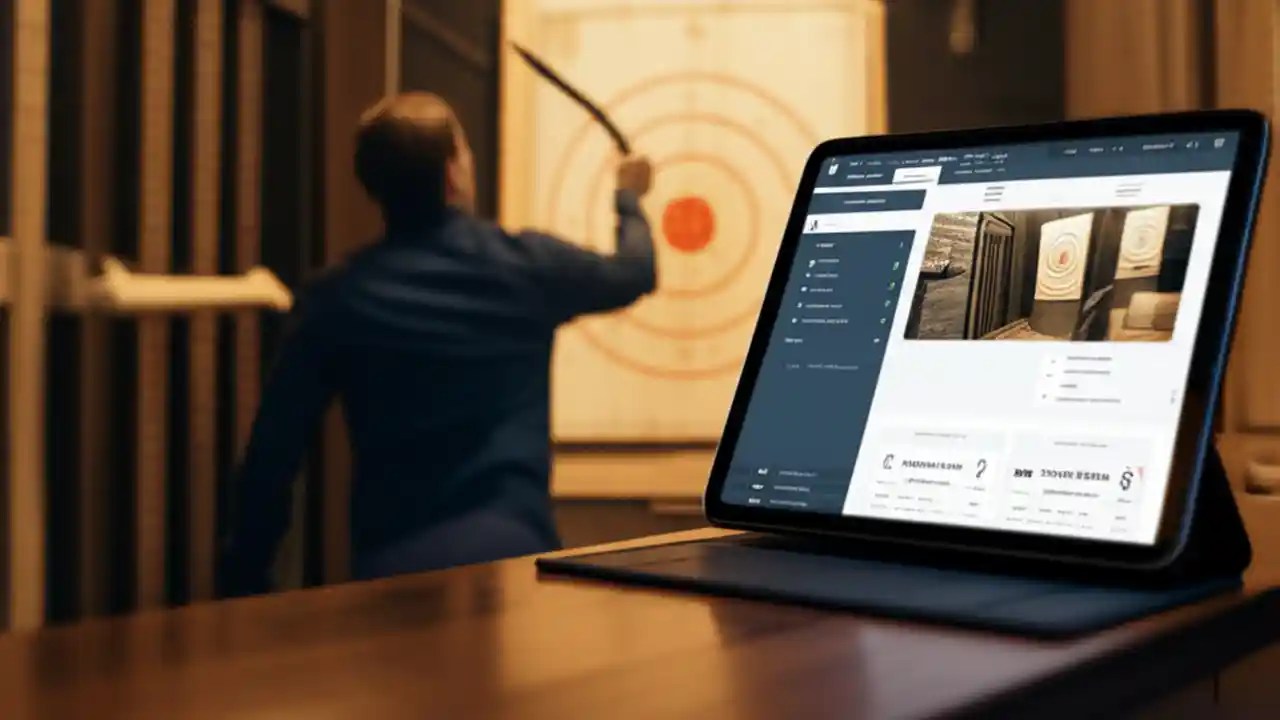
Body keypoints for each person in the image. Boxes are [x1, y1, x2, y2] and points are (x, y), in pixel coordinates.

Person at [219, 92, 656, 595]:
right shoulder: (525, 268)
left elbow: (273, 453)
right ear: (454, 174)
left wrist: (244, 581)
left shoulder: (337, 298)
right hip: (513, 559)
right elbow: (634, 272)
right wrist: (629, 199)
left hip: (391, 570)